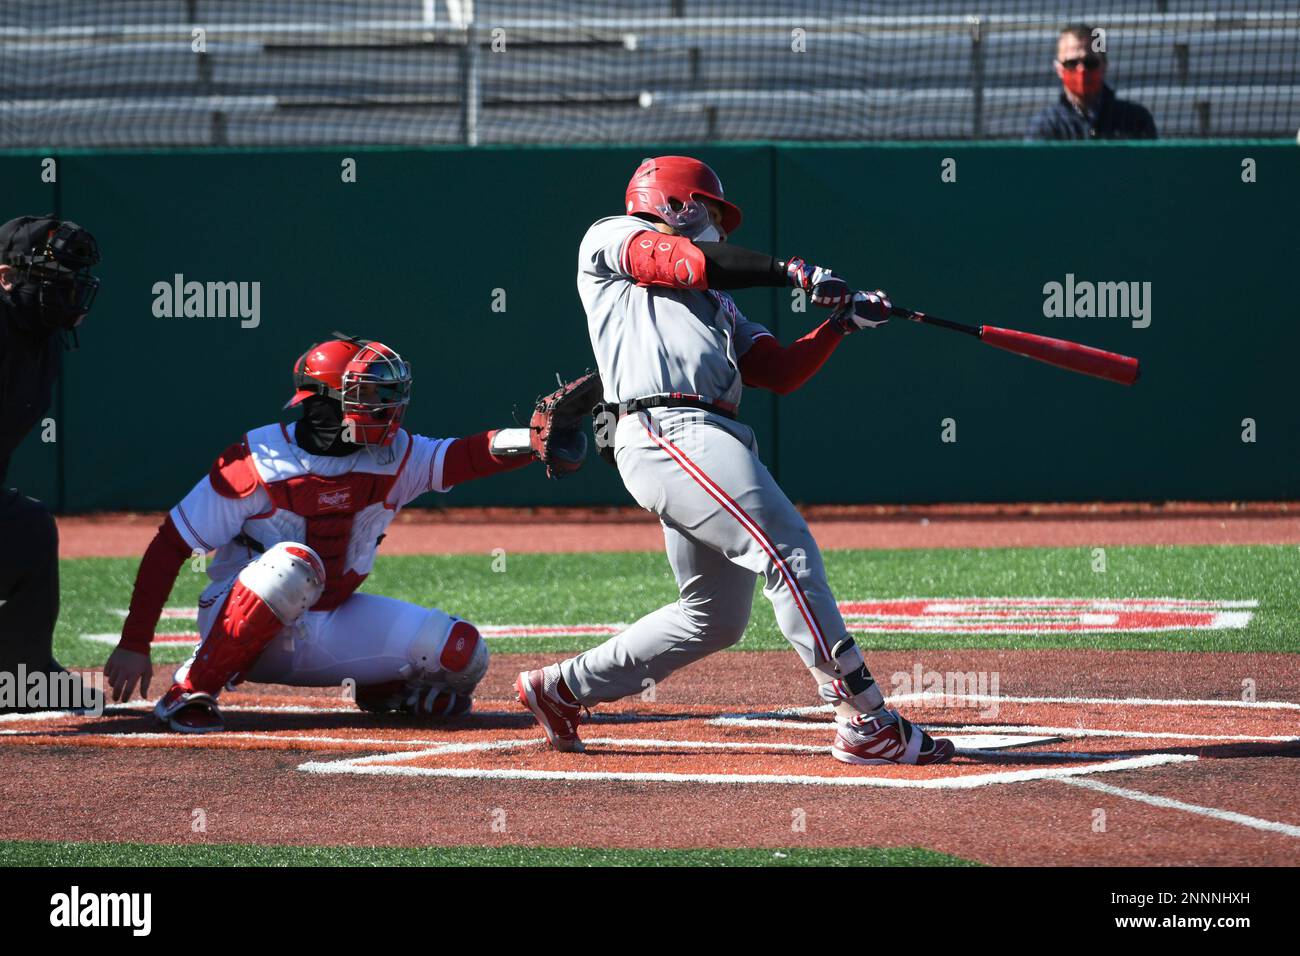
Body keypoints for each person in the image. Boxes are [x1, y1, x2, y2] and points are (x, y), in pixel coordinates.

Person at [514, 156, 956, 766]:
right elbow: (686, 262)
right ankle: (864, 718)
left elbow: (777, 371)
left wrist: (840, 325)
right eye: (712, 210)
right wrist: (791, 271)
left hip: (708, 437)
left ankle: (561, 687)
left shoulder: (717, 304)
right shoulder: (612, 236)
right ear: (675, 204)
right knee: (788, 550)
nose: (719, 224)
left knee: (713, 617)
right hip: (668, 428)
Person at [104, 332, 576, 732]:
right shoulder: (259, 458)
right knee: (294, 562)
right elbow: (171, 545)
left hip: (328, 621)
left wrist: (532, 442)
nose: (387, 407)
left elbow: (463, 455)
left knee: (462, 653)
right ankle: (190, 690)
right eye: (369, 395)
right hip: (235, 618)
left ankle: (385, 689)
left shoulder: (395, 454)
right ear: (326, 403)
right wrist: (134, 643)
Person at [0, 215, 101, 714]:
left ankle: (19, 674)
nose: (68, 292)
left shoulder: (42, 342)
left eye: (74, 280)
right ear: (6, 277)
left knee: (29, 531)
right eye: (54, 278)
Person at [1025, 23, 1156, 140]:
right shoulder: (1045, 125)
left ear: (1104, 65)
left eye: (1090, 63)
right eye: (1071, 63)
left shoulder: (1135, 120)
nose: (1081, 70)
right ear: (1059, 69)